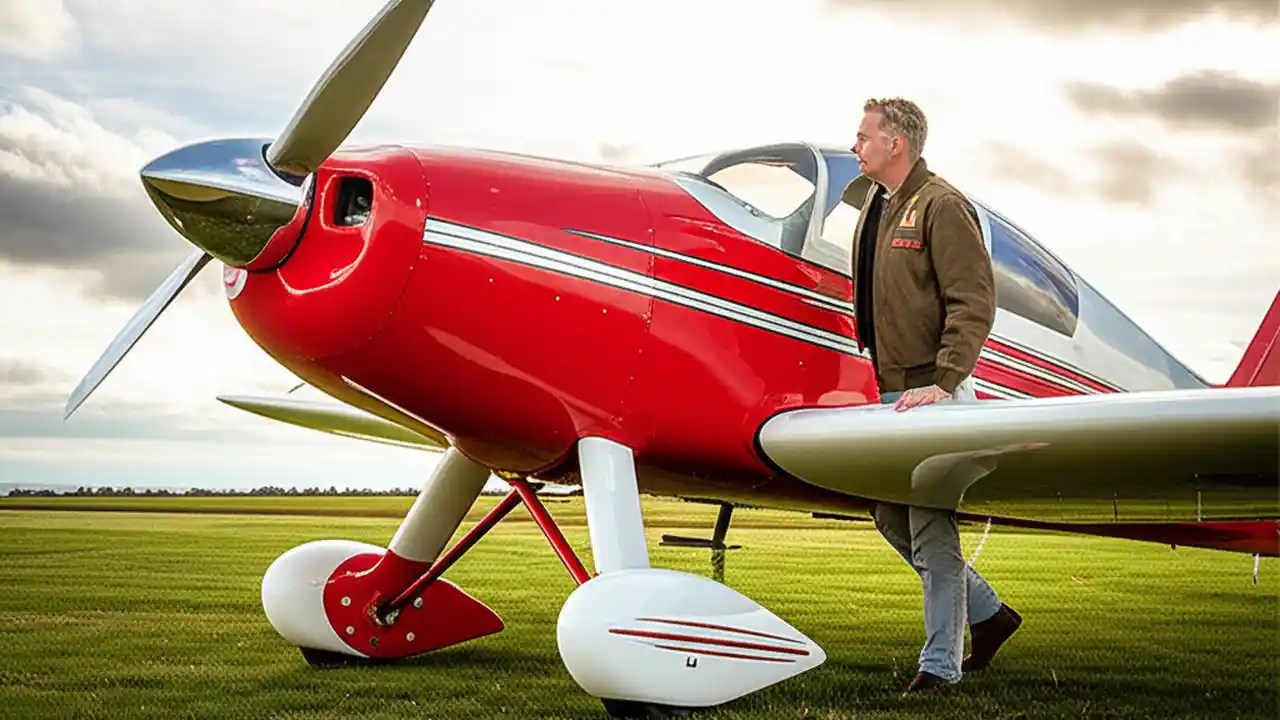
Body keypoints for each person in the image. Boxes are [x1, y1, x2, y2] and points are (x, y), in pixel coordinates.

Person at [847, 97, 1022, 695]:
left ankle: (940, 668)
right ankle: (990, 613)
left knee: (930, 526)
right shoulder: (880, 203)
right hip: (891, 390)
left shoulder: (943, 206)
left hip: (931, 389)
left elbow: (974, 303)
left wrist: (944, 383)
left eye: (865, 135)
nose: (855, 145)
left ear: (897, 143)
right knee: (889, 516)